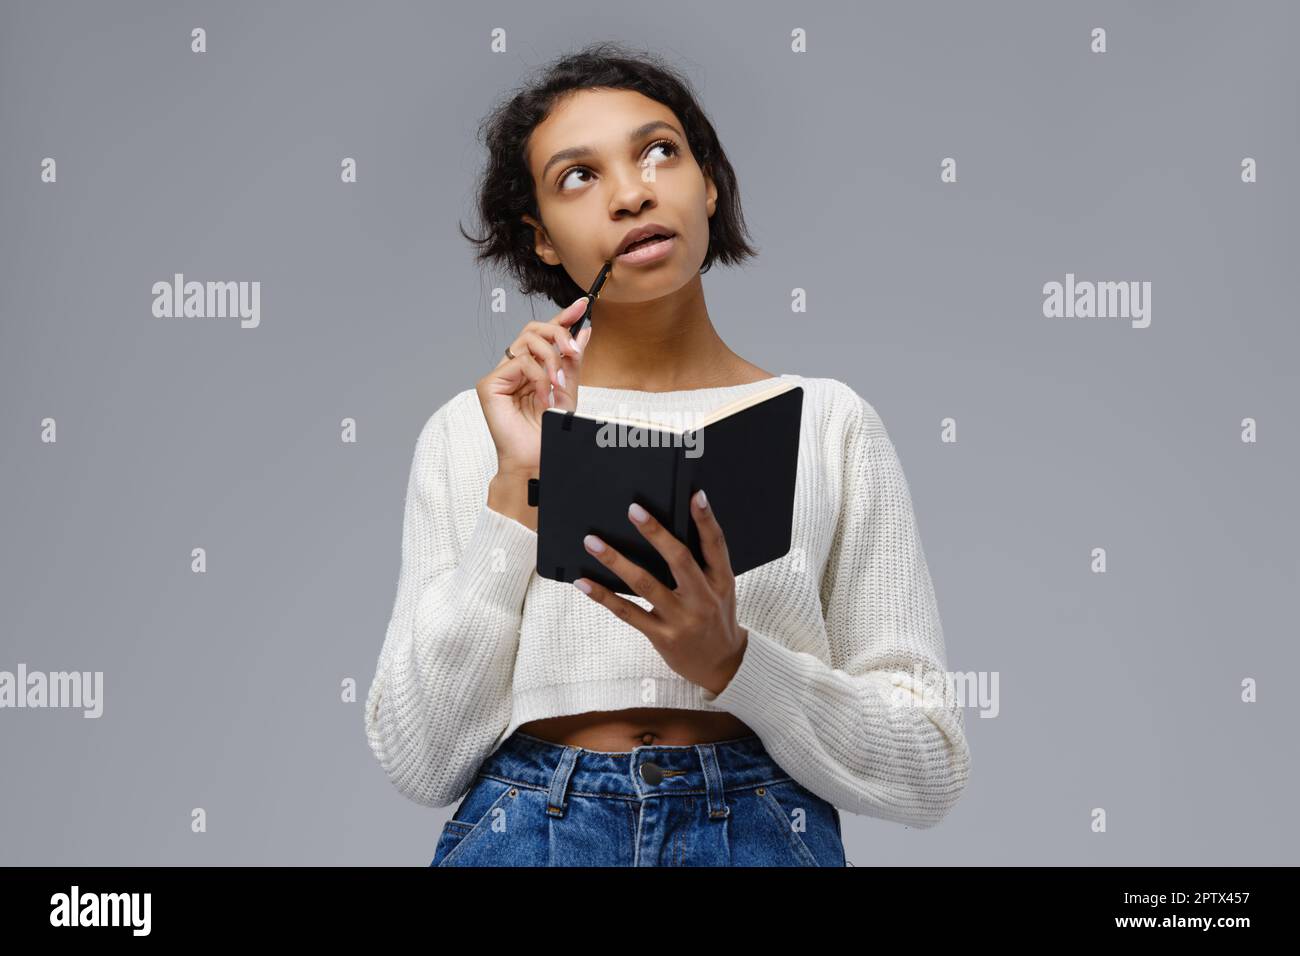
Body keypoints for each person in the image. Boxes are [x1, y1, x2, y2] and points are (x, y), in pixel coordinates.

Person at [364, 42, 970, 866]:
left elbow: (928, 767)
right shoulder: (476, 430)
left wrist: (737, 663)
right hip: (527, 835)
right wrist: (517, 488)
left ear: (708, 183)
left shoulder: (829, 424)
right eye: (579, 176)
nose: (631, 193)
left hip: (760, 833)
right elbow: (420, 758)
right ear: (542, 240)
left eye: (659, 152)